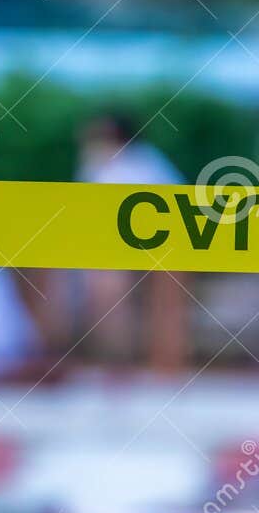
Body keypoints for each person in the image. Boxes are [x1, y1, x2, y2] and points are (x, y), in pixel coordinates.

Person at [75, 113, 187, 369]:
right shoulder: (96, 165)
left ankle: (163, 361)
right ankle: (118, 362)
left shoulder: (144, 162)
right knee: (106, 288)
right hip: (117, 247)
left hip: (162, 243)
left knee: (164, 293)